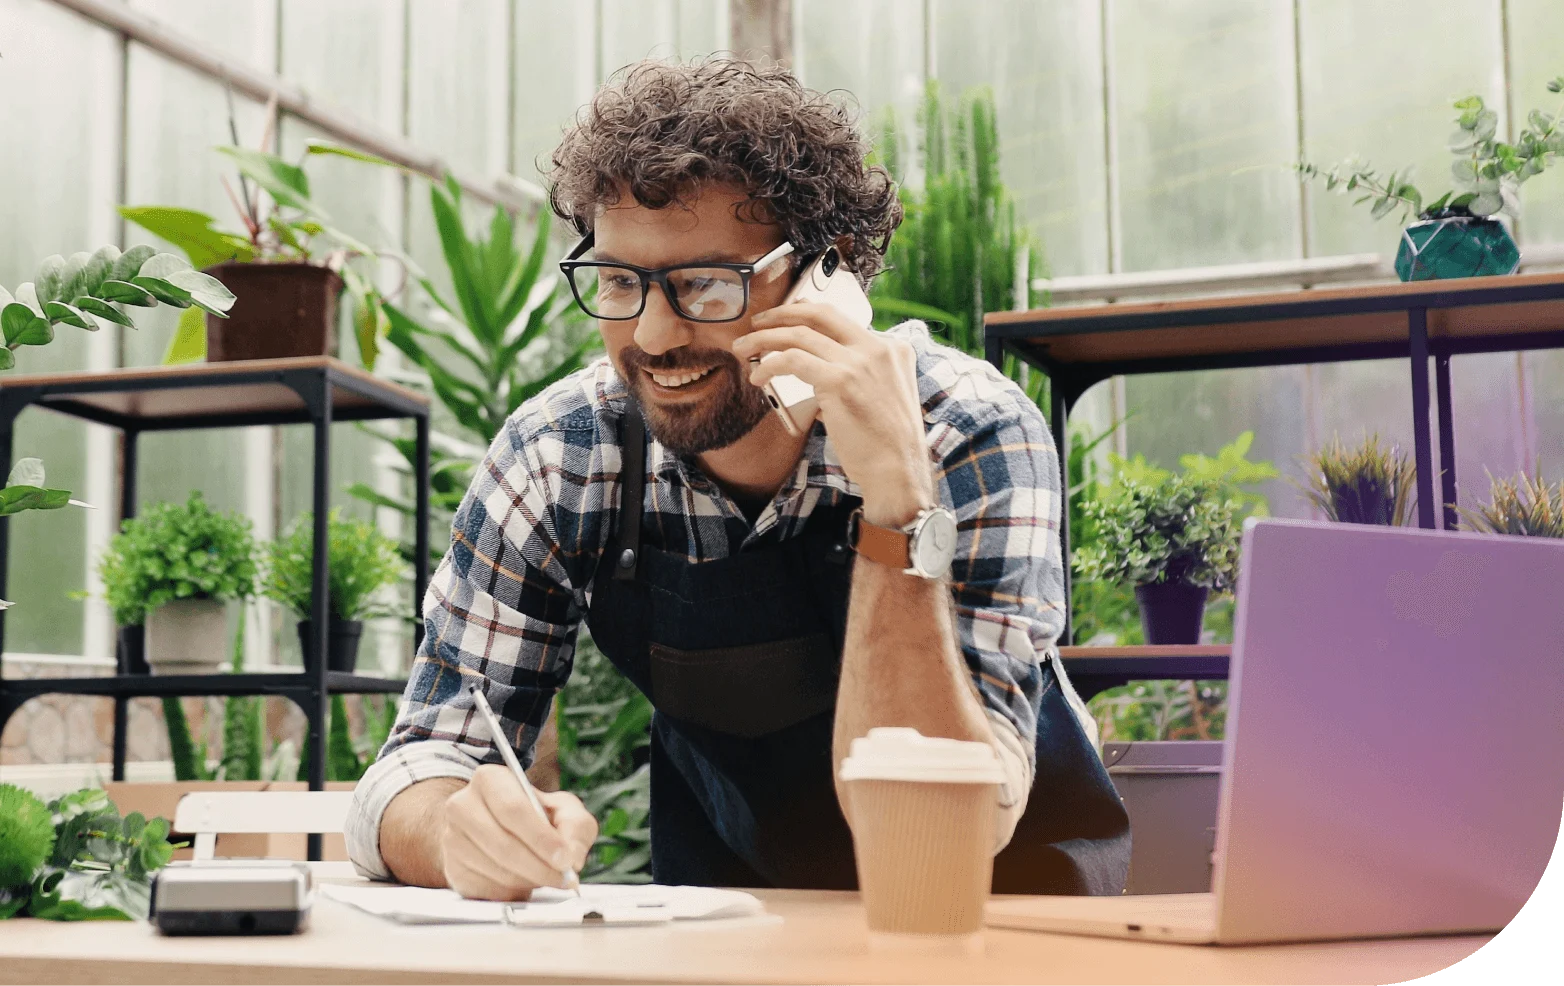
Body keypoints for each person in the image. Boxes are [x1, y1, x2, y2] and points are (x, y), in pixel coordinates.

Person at [346, 58, 1128, 897]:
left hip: (1005, 913)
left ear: (831, 273)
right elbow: (420, 763)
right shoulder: (562, 456)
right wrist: (453, 829)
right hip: (741, 917)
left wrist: (898, 504)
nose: (651, 336)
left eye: (706, 285)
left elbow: (944, 829)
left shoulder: (967, 430)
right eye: (619, 282)